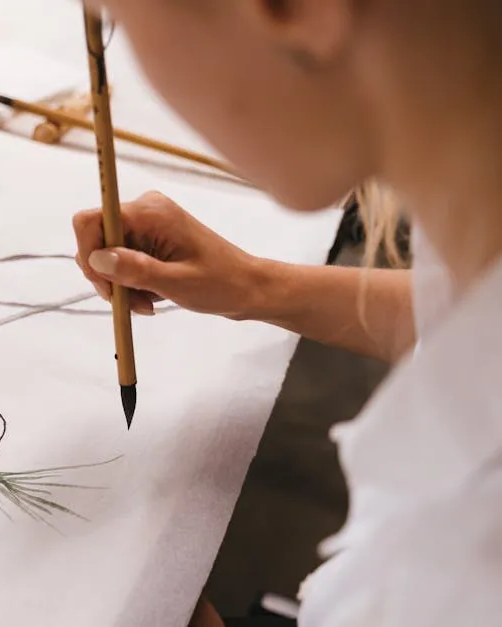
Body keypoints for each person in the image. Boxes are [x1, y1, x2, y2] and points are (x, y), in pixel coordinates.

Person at [72, 1, 502, 626]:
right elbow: (470, 331)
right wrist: (252, 284)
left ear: (291, 9)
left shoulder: (464, 571)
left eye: (112, 20)